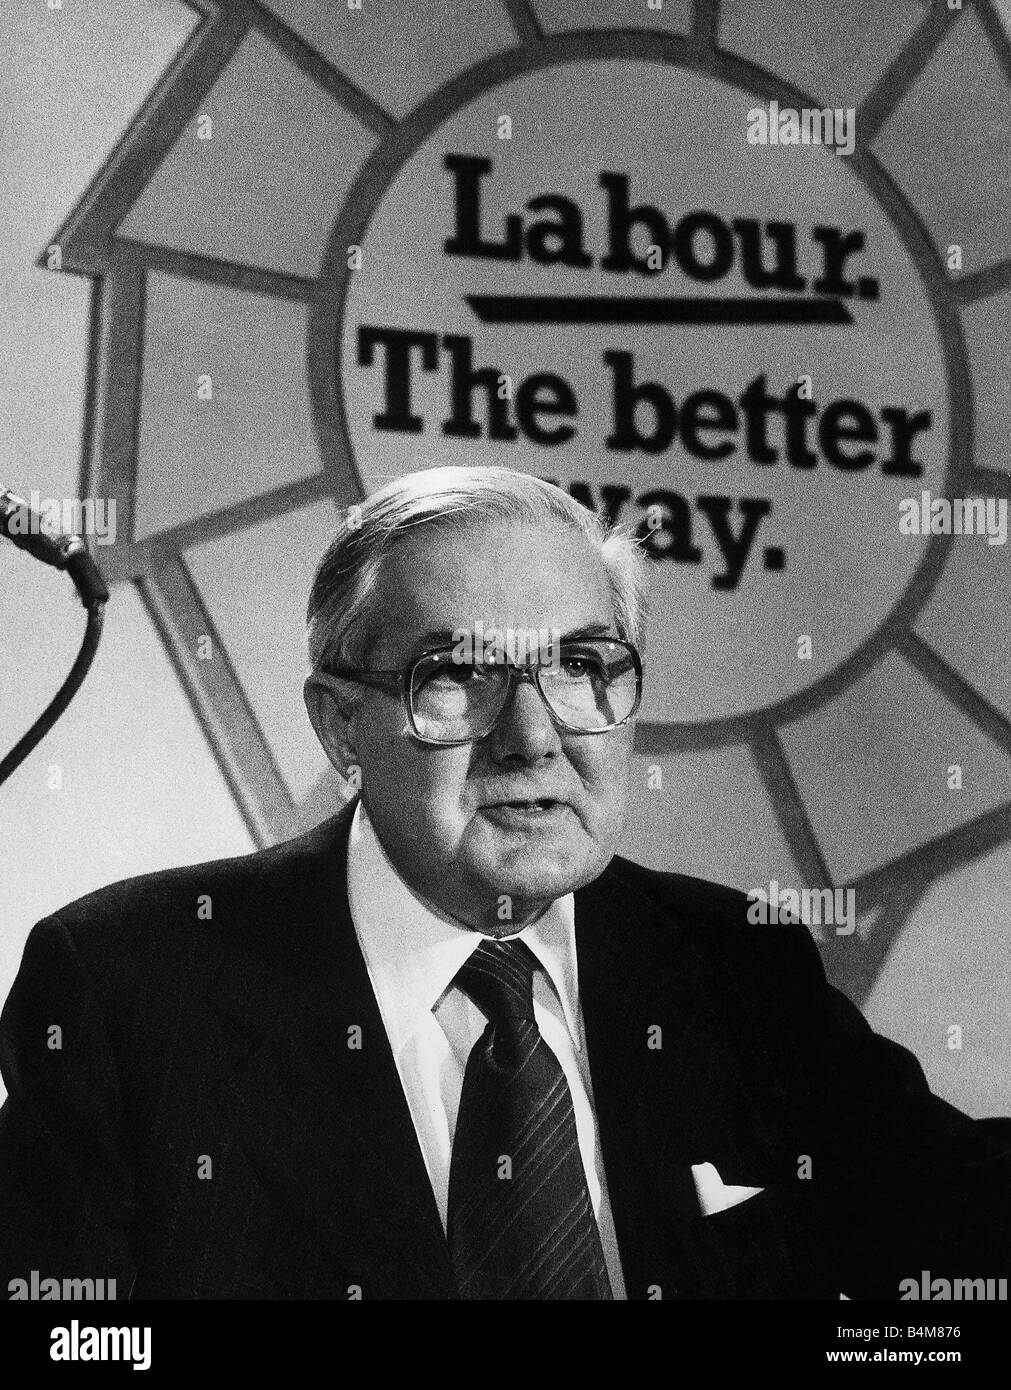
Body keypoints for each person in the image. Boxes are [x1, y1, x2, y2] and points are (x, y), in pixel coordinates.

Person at [0, 465, 1007, 1301]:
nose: (535, 736)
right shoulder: (128, 986)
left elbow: (961, 1230)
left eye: (582, 664)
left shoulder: (736, 968)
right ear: (342, 724)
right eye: (457, 675)